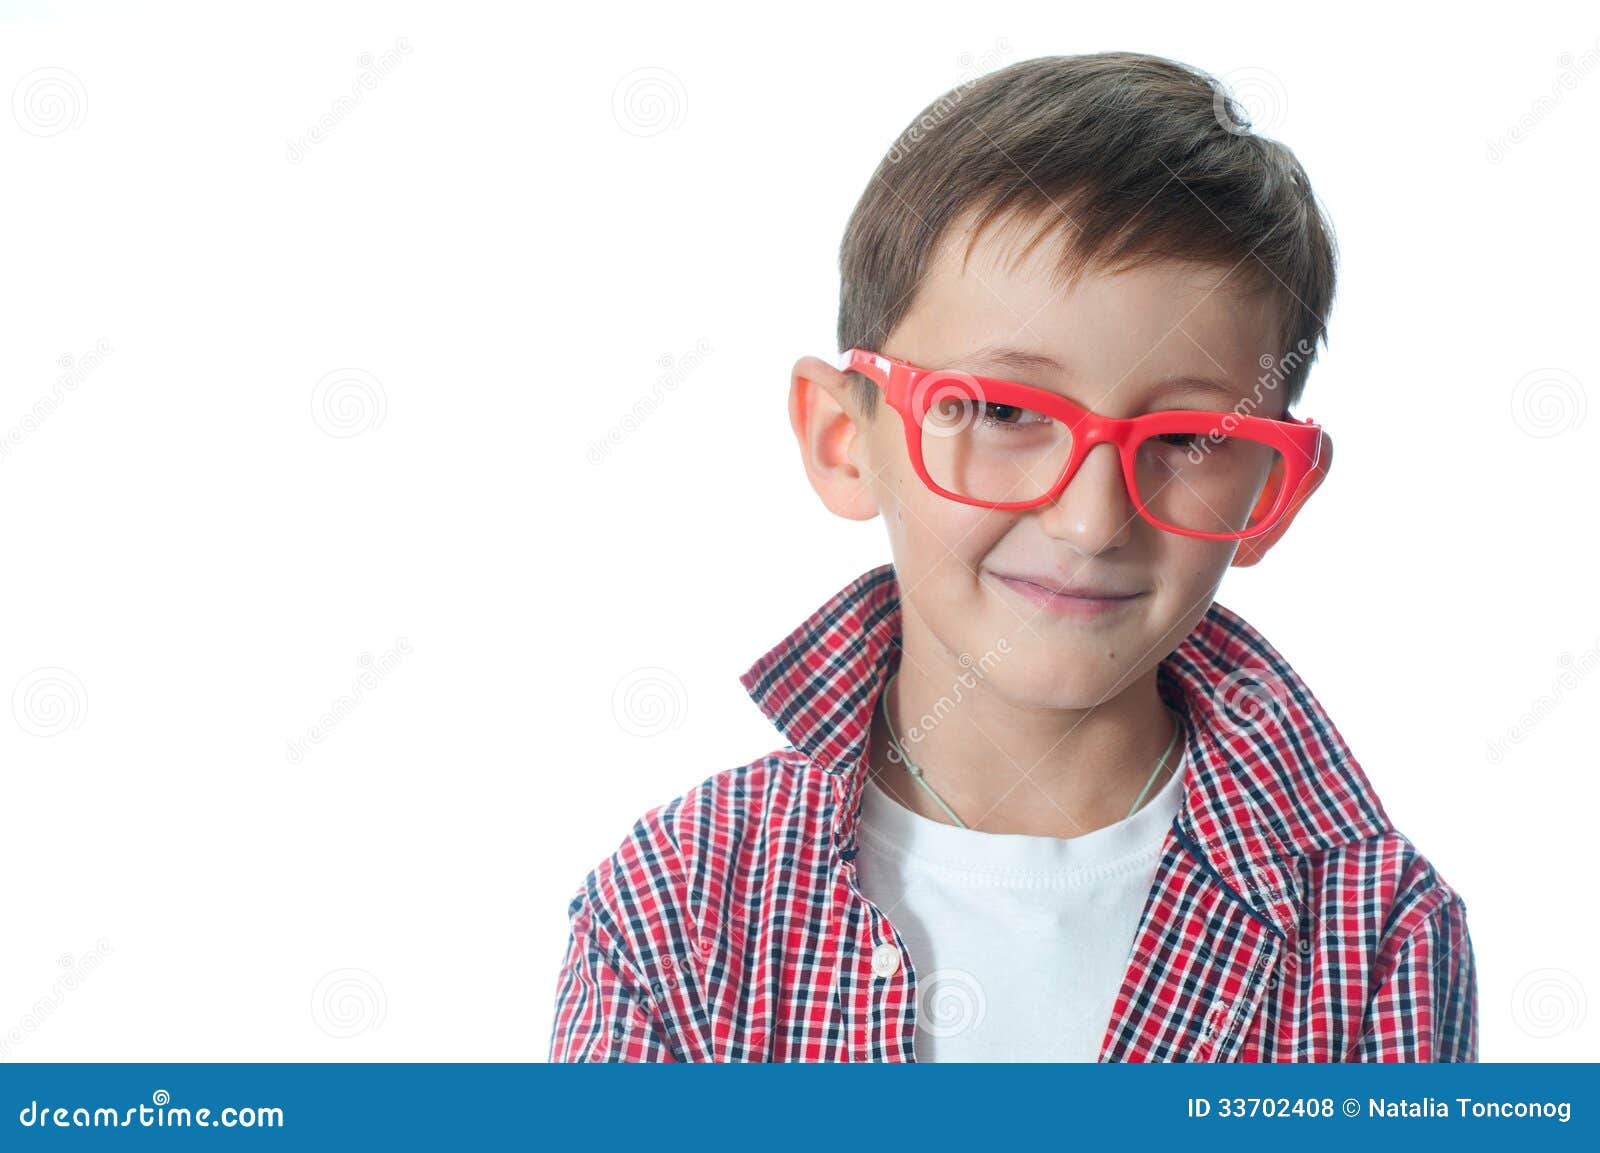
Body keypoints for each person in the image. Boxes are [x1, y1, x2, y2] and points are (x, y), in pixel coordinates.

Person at [548, 51, 1477, 1062]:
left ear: (1271, 491)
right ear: (841, 438)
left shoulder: (1378, 932)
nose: (1090, 522)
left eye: (1185, 440)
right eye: (998, 411)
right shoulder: (675, 906)